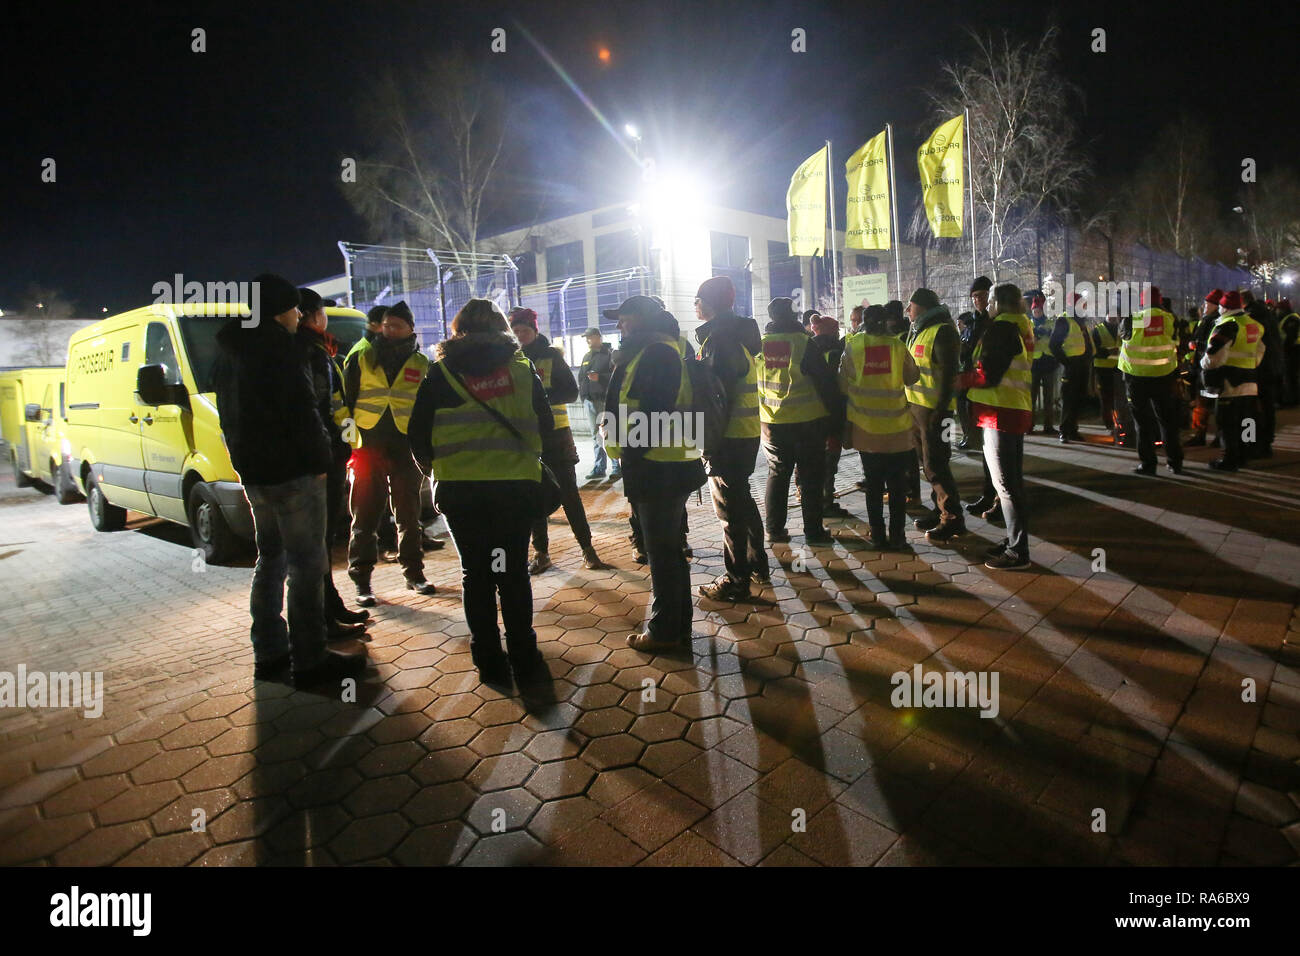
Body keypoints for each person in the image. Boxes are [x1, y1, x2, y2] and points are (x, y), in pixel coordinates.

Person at [212, 274, 367, 687]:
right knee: (306, 563)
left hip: (255, 474)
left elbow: (227, 415)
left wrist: (243, 464)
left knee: (271, 558)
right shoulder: (281, 349)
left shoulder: (230, 349)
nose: (300, 314)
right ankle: (311, 659)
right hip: (295, 473)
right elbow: (302, 412)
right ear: (280, 310)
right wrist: (320, 460)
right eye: (296, 307)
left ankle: (269, 651)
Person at [408, 299, 551, 684]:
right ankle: (524, 654)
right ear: (502, 328)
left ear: (459, 330)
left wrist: (435, 470)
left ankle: (488, 660)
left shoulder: (440, 373)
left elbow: (417, 434)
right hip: (514, 489)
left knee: (478, 574)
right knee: (512, 574)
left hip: (461, 492)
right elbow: (546, 424)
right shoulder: (522, 369)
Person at [603, 296, 706, 652]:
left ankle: (664, 632)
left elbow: (654, 412)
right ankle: (676, 625)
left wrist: (626, 452)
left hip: (659, 467)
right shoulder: (649, 351)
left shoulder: (656, 353)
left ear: (642, 321)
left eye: (624, 319)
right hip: (662, 464)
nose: (619, 326)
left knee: (661, 552)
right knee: (668, 550)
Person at [343, 300, 435, 603]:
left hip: (405, 446)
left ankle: (414, 574)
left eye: (397, 325)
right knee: (365, 514)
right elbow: (344, 401)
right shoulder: (362, 355)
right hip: (367, 445)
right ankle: (362, 581)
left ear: (411, 329)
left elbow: (427, 408)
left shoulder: (422, 363)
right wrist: (348, 442)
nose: (390, 330)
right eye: (387, 325)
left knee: (409, 515)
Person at [296, 287, 369, 640]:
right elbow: (321, 409)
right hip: (323, 459)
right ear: (311, 316)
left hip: (329, 455)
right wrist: (332, 453)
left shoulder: (316, 350)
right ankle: (323, 618)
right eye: (321, 312)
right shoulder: (311, 353)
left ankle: (330, 605)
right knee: (319, 541)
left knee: (323, 541)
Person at [509, 307, 602, 573]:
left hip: (556, 435)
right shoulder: (510, 360)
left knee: (569, 494)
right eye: (515, 332)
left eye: (524, 331)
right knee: (533, 496)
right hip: (526, 437)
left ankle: (587, 549)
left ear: (535, 331)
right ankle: (541, 553)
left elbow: (571, 392)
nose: (519, 336)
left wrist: (541, 399)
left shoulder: (550, 356)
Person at [694, 276, 769, 601]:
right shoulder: (736, 335)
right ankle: (756, 563)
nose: (695, 305)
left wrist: (707, 445)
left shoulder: (718, 340)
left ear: (709, 303)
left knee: (729, 512)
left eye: (697, 299)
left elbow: (714, 400)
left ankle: (735, 580)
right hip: (745, 433)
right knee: (742, 500)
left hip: (726, 437)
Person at [955, 283, 1034, 570]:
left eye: (990, 302)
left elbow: (988, 373)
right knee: (1011, 482)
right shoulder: (1020, 324)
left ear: (999, 303)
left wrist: (962, 380)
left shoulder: (1002, 328)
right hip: (1012, 408)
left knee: (1006, 485)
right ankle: (1014, 541)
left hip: (999, 411)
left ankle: (1018, 552)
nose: (986, 306)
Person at [757, 297, 838, 547]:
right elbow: (825, 383)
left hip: (772, 422)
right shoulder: (804, 343)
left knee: (777, 474)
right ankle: (813, 532)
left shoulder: (760, 345)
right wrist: (834, 420)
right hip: (807, 422)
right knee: (811, 478)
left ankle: (774, 530)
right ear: (792, 316)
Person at [841, 305, 919, 548]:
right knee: (897, 486)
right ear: (885, 322)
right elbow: (912, 377)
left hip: (865, 429)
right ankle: (898, 535)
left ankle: (876, 534)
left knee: (873, 485)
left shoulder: (853, 346)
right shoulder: (897, 346)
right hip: (897, 429)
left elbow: (842, 383)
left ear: (864, 322)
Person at [904, 288, 965, 542]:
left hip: (934, 411)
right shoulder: (920, 330)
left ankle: (952, 518)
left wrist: (940, 410)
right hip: (917, 409)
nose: (908, 311)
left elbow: (950, 373)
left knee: (936, 463)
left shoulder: (942, 330)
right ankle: (938, 508)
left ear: (924, 307)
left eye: (911, 305)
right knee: (927, 464)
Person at [1118, 286, 1183, 475]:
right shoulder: (1171, 319)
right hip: (1164, 376)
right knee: (1168, 422)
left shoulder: (1132, 319)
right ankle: (1175, 462)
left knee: (1143, 423)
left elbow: (1122, 335)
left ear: (1142, 301)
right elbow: (1178, 342)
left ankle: (1148, 463)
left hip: (1136, 379)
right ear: (1160, 300)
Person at [1202, 290, 1265, 471]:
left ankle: (1229, 459)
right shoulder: (1254, 324)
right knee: (1248, 421)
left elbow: (1214, 357)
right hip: (1250, 380)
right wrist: (1250, 364)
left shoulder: (1227, 325)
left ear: (1224, 307)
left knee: (1226, 422)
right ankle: (1245, 454)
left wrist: (1203, 365)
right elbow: (1261, 349)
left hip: (1230, 381)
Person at [810, 312, 849, 517]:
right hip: (832, 416)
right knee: (830, 461)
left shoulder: (808, 350)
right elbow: (839, 387)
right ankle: (826, 502)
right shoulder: (836, 354)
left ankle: (817, 501)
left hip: (812, 415)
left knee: (815, 461)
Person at [1241, 290, 1284, 458]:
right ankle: (1266, 444)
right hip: (1271, 367)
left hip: (1256, 368)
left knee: (1250, 409)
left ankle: (1251, 444)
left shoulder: (1250, 318)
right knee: (1267, 407)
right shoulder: (1267, 315)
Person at [1050, 292, 1095, 442]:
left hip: (1083, 365)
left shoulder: (1080, 321)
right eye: (1082, 304)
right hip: (1072, 366)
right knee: (1069, 399)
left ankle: (1073, 429)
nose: (1084, 307)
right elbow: (1054, 345)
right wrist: (1067, 363)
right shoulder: (1064, 321)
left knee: (1078, 399)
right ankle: (1064, 431)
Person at [956, 276, 992, 449]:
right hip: (971, 370)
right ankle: (970, 435)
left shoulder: (993, 320)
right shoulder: (973, 320)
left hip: (984, 371)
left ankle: (976, 438)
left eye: (982, 295)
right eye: (974, 296)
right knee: (964, 404)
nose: (978, 300)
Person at [578, 327, 616, 478]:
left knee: (609, 433)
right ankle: (599, 467)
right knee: (596, 435)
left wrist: (599, 378)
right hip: (590, 401)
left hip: (604, 400)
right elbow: (581, 377)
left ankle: (616, 467)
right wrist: (583, 396)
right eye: (587, 338)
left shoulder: (609, 354)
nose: (588, 341)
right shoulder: (587, 356)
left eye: (591, 337)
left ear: (599, 337)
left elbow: (617, 376)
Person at [1185, 290, 1222, 446]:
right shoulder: (1207, 319)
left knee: (1206, 403)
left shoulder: (1214, 321)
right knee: (1205, 403)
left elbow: (1212, 344)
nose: (1204, 306)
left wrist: (1196, 345)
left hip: (1208, 369)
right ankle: (1205, 435)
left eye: (1207, 304)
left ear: (1215, 305)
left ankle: (1203, 435)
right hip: (1203, 368)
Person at [1029, 294, 1059, 436]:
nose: (1037, 313)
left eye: (1039, 310)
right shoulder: (1028, 324)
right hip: (1033, 363)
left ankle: (1048, 425)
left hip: (1047, 362)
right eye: (1035, 311)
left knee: (1048, 397)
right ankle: (1029, 425)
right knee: (1031, 397)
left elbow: (1054, 336)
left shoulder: (1050, 323)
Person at [1091, 310, 1123, 442]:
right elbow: (1094, 350)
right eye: (1112, 315)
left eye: (1117, 315)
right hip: (1103, 368)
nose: (1114, 317)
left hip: (1119, 367)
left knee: (1119, 397)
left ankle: (1119, 423)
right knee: (1106, 398)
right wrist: (1108, 352)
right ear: (1106, 315)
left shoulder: (1121, 328)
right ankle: (1109, 424)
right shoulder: (1098, 330)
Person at [1279, 299, 1300, 407]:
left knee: (1291, 376)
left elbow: (1290, 337)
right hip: (1293, 349)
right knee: (1291, 376)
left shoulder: (1291, 318)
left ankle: (1294, 400)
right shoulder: (1292, 317)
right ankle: (1293, 398)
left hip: (1293, 350)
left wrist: (1284, 349)